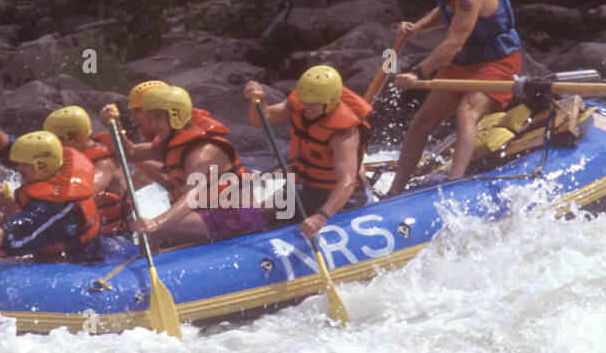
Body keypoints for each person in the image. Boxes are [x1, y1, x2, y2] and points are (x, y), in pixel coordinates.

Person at [387, 0, 522, 194]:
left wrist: (417, 72)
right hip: (465, 60)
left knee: (466, 113)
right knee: (421, 123)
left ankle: (454, 185)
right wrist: (417, 27)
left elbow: (452, 45)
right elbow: (446, 11)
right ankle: (394, 191)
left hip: (498, 61)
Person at [99, 85, 264, 248]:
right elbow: (129, 154)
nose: (154, 125)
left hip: (236, 215)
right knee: (153, 234)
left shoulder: (203, 151)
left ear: (175, 116)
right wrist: (115, 127)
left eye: (157, 118)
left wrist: (157, 222)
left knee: (155, 233)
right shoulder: (172, 142)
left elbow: (193, 195)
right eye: (151, 119)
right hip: (208, 214)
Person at [243, 65, 372, 239]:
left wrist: (321, 217)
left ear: (330, 101)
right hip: (310, 188)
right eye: (304, 100)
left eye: (314, 103)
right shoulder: (299, 105)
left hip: (343, 199)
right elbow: (262, 119)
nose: (307, 106)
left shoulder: (344, 134)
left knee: (288, 218)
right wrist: (259, 100)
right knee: (257, 213)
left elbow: (346, 182)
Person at [0, 131, 105, 263]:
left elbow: (13, 229)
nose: (18, 168)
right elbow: (17, 214)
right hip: (51, 256)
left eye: (23, 164)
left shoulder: (55, 203)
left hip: (77, 264)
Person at [43, 105, 132, 238]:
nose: (51, 147)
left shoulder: (104, 164)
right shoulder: (72, 160)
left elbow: (84, 193)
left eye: (56, 140)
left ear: (75, 137)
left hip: (117, 240)